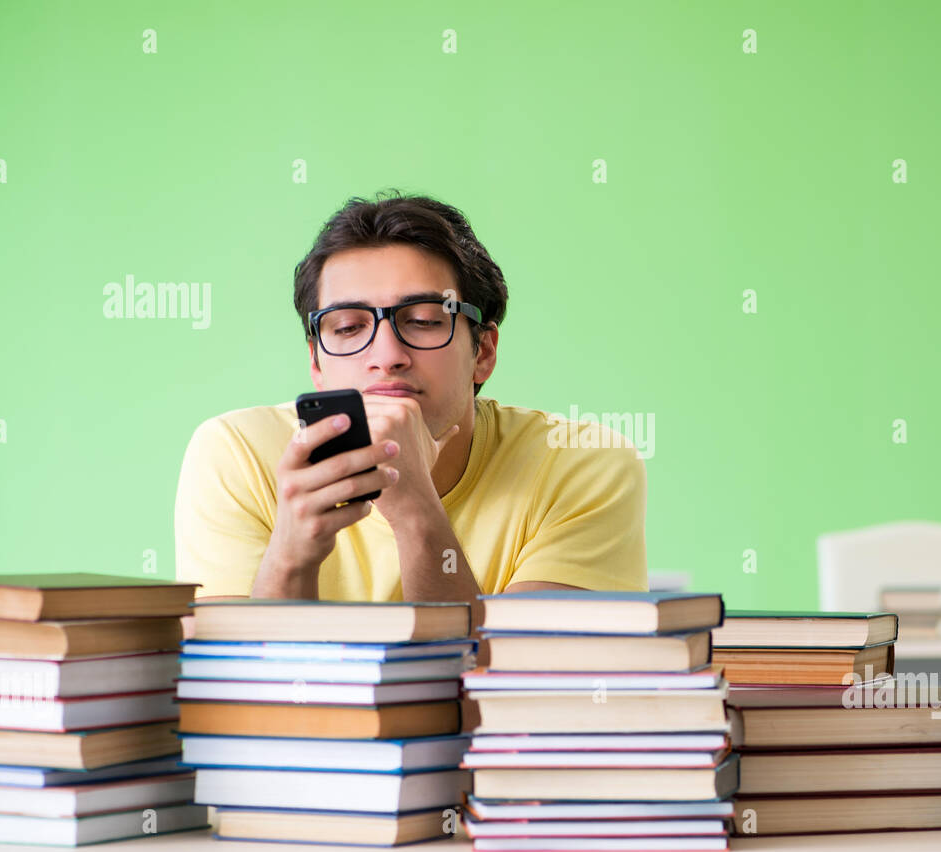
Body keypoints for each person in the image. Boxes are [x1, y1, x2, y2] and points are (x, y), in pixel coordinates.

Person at [173, 190, 648, 637]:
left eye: (422, 320)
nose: (386, 354)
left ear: (483, 349)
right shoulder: (237, 453)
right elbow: (247, 696)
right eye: (347, 327)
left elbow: (522, 688)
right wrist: (291, 560)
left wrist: (416, 508)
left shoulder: (583, 463)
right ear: (316, 363)